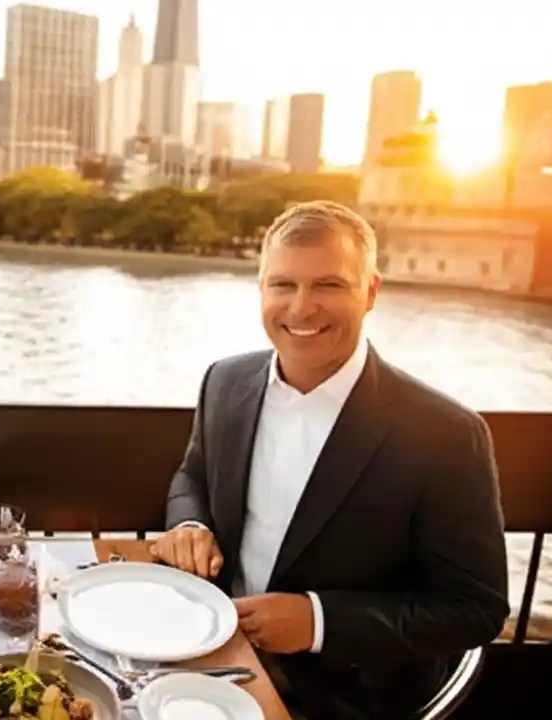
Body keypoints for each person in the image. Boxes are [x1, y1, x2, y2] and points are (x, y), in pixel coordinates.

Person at [154, 201, 509, 718]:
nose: (301, 308)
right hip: (212, 651)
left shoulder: (448, 433)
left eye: (329, 285)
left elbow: (475, 609)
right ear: (260, 289)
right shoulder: (224, 381)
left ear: (371, 292)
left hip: (343, 697)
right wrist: (189, 522)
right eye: (282, 285)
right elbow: (194, 475)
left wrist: (319, 621)